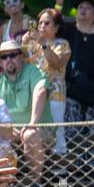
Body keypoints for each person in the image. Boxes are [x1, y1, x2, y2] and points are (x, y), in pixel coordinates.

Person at [60, 0, 94, 167]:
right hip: (74, 88)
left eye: (88, 7)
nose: (82, 10)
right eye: (80, 7)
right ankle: (74, 165)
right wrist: (59, 2)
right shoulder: (69, 32)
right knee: (71, 126)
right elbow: (51, 22)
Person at [0, 40, 48, 186]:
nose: (9, 59)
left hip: (40, 132)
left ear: (21, 56)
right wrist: (6, 129)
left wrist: (32, 124)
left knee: (29, 135)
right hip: (7, 136)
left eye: (13, 55)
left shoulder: (33, 72)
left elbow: (40, 91)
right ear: (0, 62)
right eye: (4, 56)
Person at [21, 8, 71, 154]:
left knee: (57, 131)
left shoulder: (62, 44)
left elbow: (56, 63)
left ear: (56, 27)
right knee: (37, 131)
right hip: (35, 95)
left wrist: (43, 43)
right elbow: (22, 62)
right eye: (40, 23)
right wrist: (24, 41)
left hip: (55, 94)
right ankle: (43, 166)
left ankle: (60, 169)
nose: (41, 26)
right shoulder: (33, 44)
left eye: (46, 23)